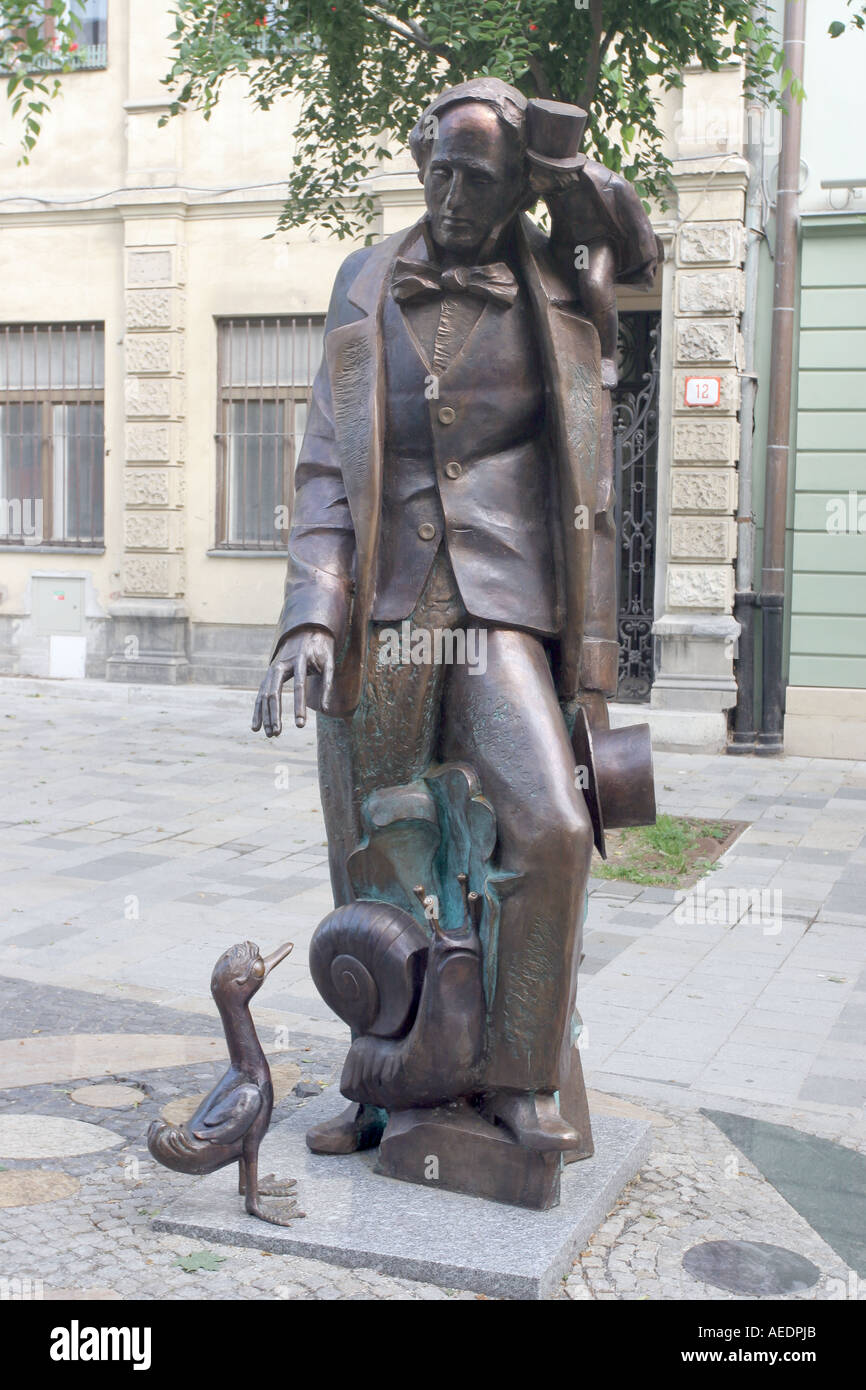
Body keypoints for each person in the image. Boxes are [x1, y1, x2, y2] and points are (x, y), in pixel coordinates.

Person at [252, 77, 654, 1156]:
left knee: (553, 829)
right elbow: (329, 457)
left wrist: (563, 161)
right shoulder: (365, 280)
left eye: (478, 177)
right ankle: (383, 1088)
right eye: (436, 166)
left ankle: (521, 1073)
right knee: (375, 851)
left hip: (498, 605)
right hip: (384, 604)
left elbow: (632, 238)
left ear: (519, 186)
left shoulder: (561, 287)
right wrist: (309, 614)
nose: (448, 192)